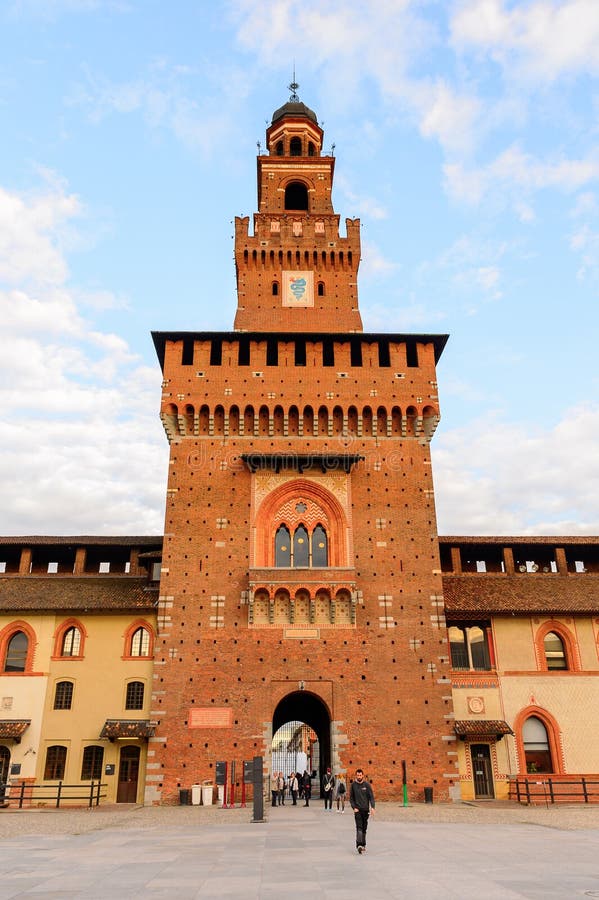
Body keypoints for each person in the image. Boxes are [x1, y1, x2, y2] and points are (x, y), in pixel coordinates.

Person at [349, 768, 375, 853]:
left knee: (364, 828)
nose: (359, 776)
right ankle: (359, 845)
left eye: (360, 775)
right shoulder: (353, 785)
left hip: (365, 810)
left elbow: (371, 797)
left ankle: (363, 844)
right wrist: (354, 807)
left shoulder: (367, 785)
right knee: (359, 827)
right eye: (358, 775)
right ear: (356, 776)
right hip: (358, 810)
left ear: (362, 775)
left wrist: (372, 807)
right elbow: (351, 798)